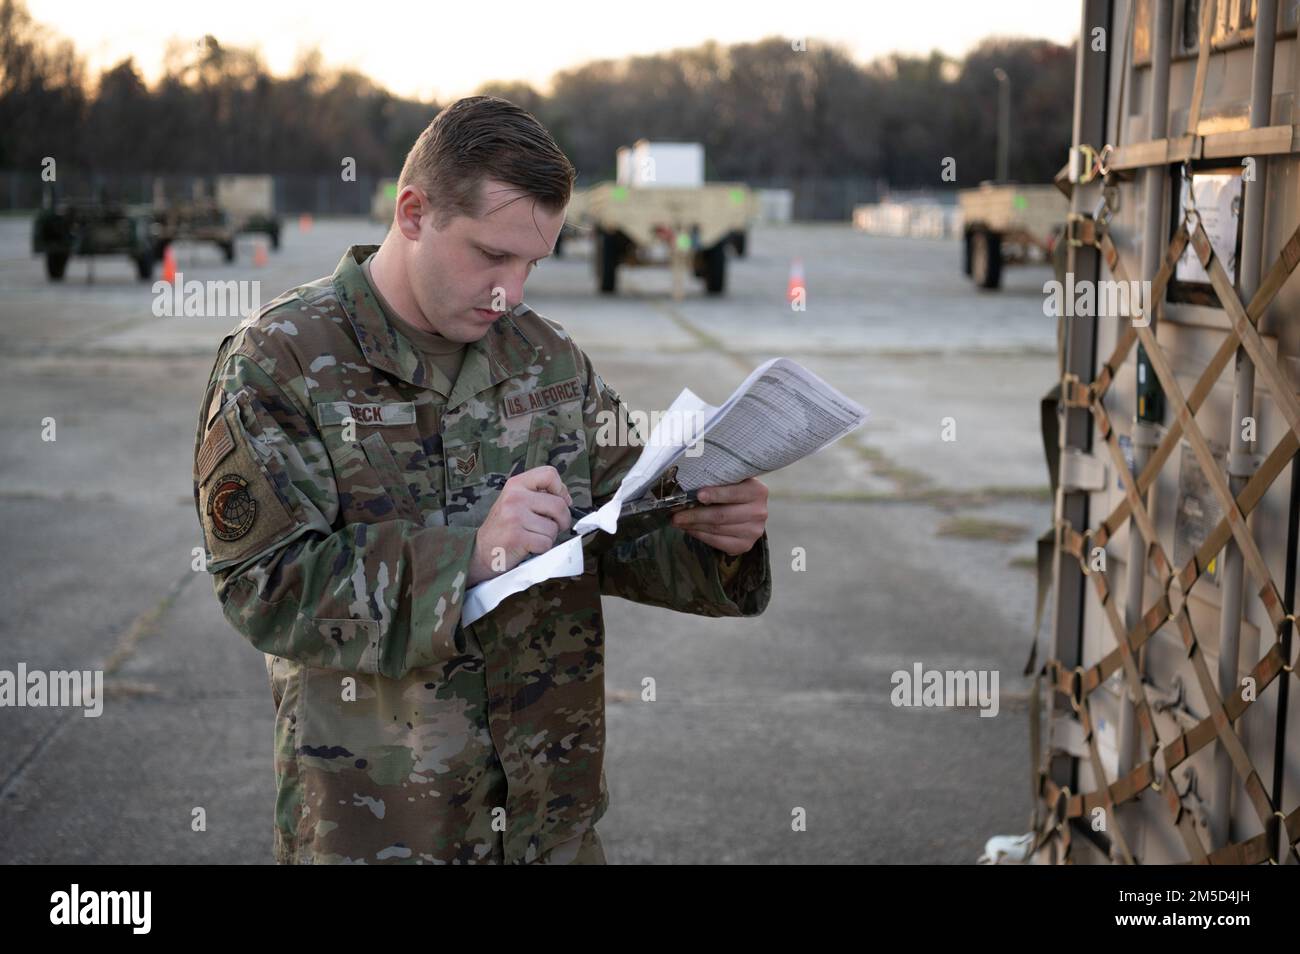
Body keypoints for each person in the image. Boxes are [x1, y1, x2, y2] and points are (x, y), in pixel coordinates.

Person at [192, 95, 772, 864]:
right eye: (492, 255)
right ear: (412, 213)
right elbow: (262, 582)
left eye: (532, 263)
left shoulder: (547, 358)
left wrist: (717, 536)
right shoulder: (282, 360)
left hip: (548, 822)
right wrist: (465, 556)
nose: (513, 292)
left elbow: (618, 528)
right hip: (385, 827)